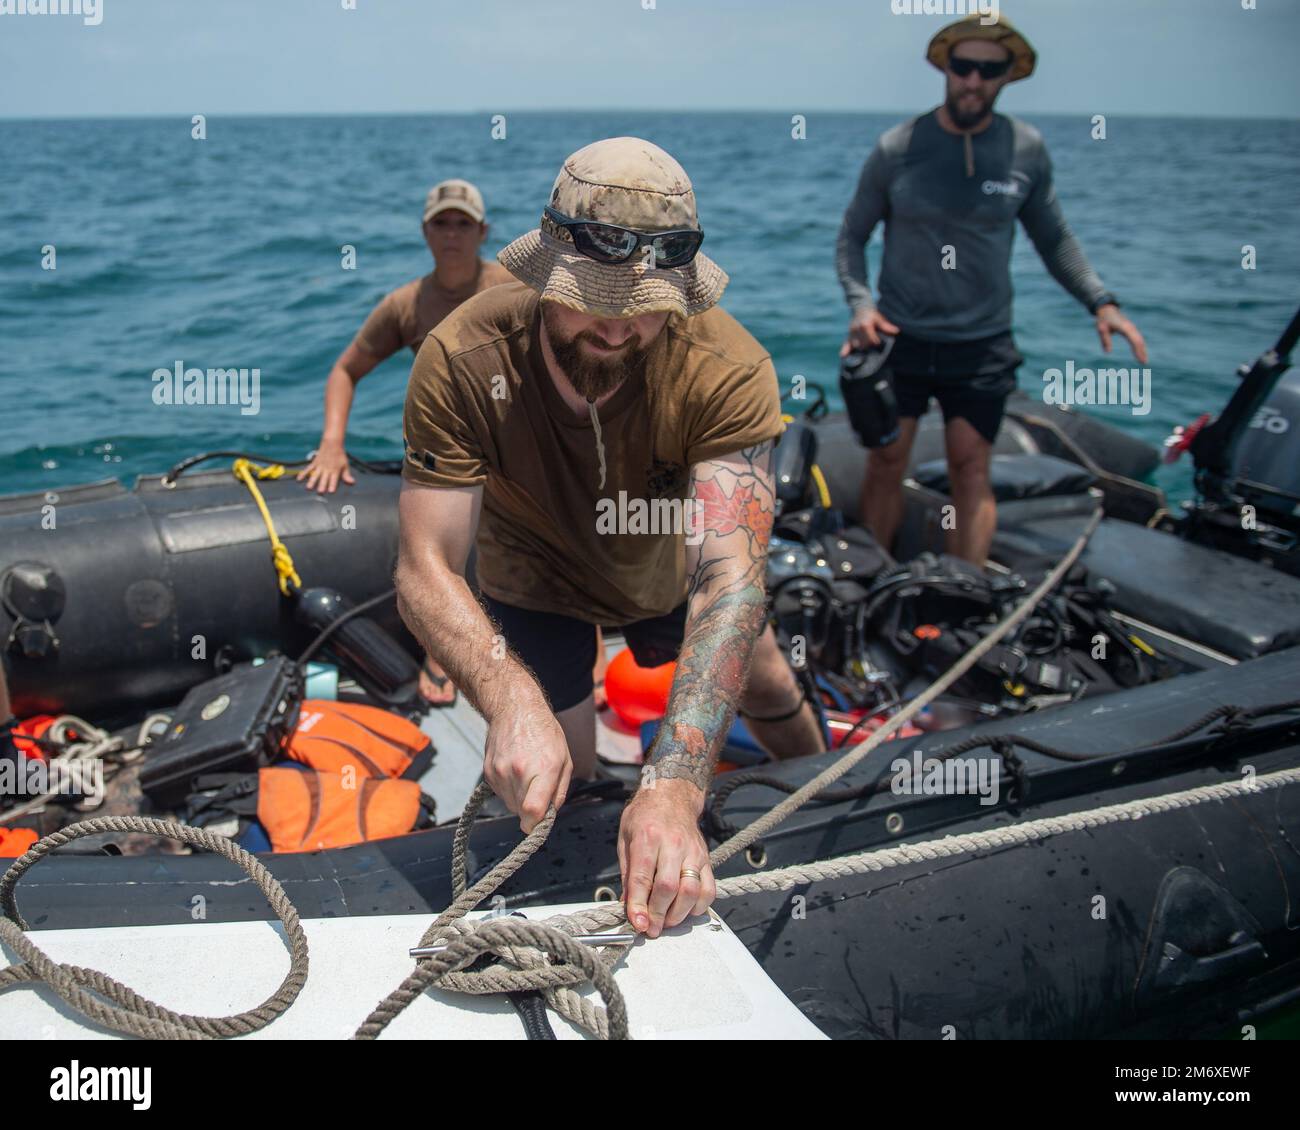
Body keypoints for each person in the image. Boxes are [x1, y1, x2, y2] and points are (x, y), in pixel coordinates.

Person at [396, 137, 826, 938]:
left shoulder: (727, 368)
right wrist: (506, 692)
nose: (618, 330)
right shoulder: (461, 357)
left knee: (766, 678)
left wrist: (675, 783)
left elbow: (729, 577)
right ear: (544, 270)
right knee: (559, 774)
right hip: (535, 576)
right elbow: (425, 564)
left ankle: (824, 793)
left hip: (664, 566)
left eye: (646, 308)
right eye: (590, 298)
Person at [835, 12, 1147, 565]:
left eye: (989, 69)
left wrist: (1101, 301)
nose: (973, 81)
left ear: (1007, 75)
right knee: (885, 461)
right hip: (899, 335)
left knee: (970, 466)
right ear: (946, 70)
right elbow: (851, 238)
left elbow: (1055, 239)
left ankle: (965, 593)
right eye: (963, 67)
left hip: (981, 342)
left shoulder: (1025, 149)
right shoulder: (898, 147)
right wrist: (861, 306)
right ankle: (869, 581)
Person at [298, 180, 515, 705]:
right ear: (425, 232)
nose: (452, 234)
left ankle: (592, 646)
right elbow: (346, 370)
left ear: (482, 231)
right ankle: (440, 653)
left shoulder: (512, 287)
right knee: (430, 541)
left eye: (463, 223)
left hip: (514, 437)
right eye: (442, 222)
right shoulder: (407, 303)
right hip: (445, 446)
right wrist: (332, 443)